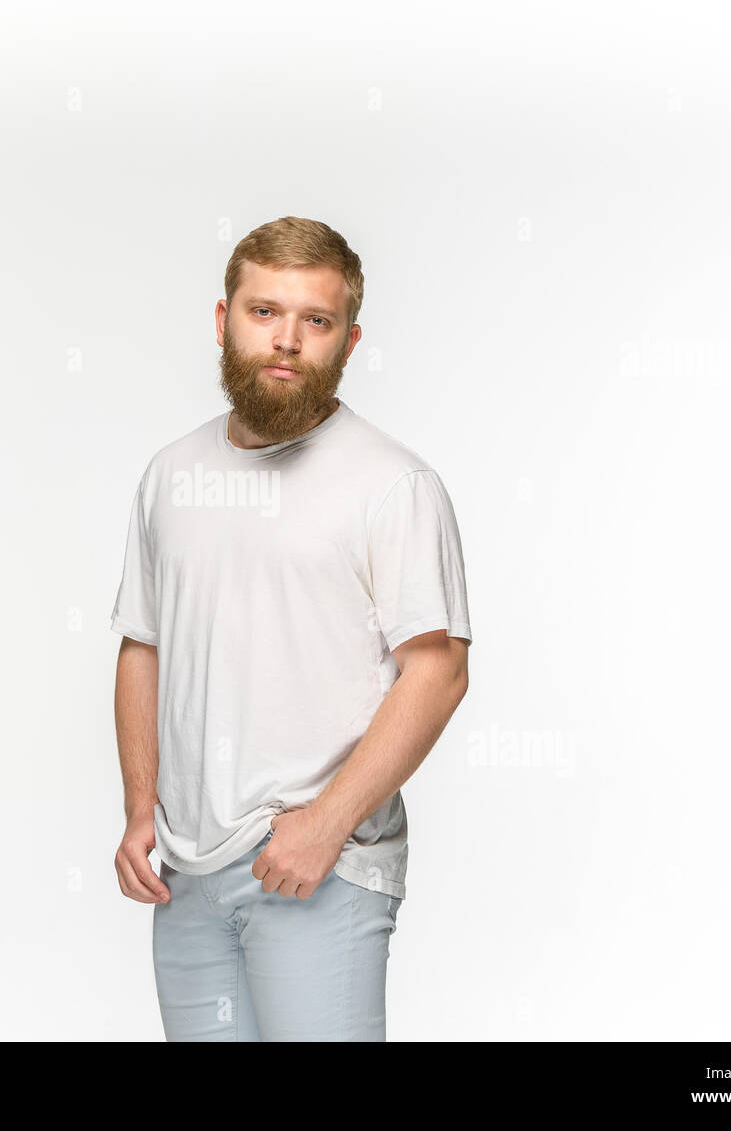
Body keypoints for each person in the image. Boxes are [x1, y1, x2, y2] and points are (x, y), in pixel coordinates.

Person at [110, 215, 472, 1041]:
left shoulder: (392, 485)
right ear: (222, 320)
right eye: (264, 312)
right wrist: (140, 810)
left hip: (322, 867)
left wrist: (328, 822)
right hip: (187, 872)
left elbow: (439, 672)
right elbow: (144, 645)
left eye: (317, 320)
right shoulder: (171, 475)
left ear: (348, 340)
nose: (287, 340)